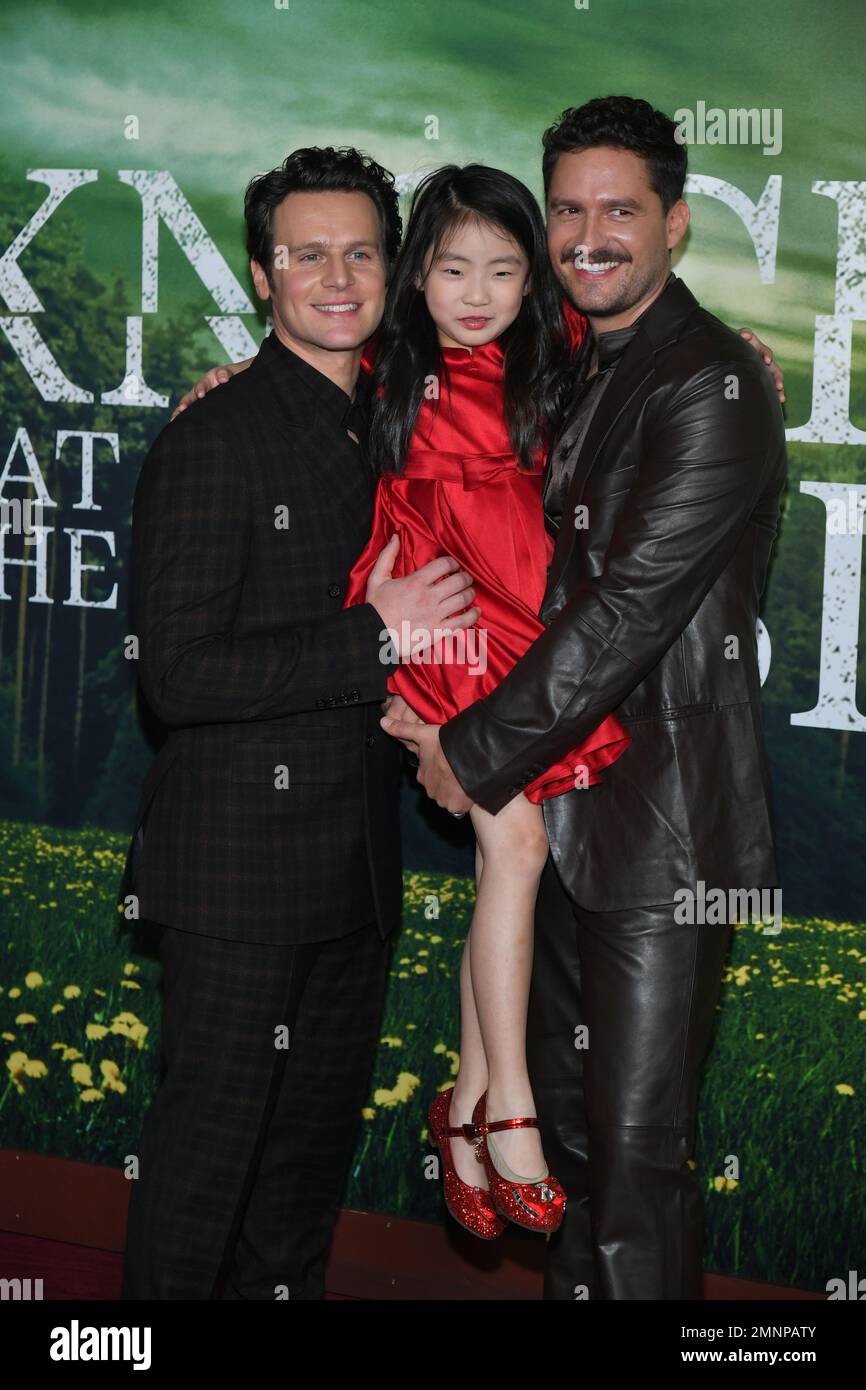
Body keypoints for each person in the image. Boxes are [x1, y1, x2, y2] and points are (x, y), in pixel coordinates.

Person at [383, 97, 788, 1300]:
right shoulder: (560, 359)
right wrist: (234, 380)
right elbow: (407, 362)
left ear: (673, 223)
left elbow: (624, 612)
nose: (588, 232)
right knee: (565, 1153)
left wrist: (473, 748)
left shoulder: (710, 383)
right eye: (567, 208)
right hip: (560, 815)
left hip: (662, 836)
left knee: (630, 1169)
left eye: (620, 209)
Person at [118, 145, 479, 1300]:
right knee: (200, 1181)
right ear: (262, 274)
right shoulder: (211, 437)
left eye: (362, 251)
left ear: (394, 269)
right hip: (233, 884)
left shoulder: (398, 422)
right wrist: (374, 635)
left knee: (297, 1195)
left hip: (352, 880)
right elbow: (178, 675)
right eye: (307, 253)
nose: (338, 276)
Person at [342, 163, 632, 1239]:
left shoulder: (553, 364)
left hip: (519, 633)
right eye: (453, 267)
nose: (475, 291)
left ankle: (463, 1106)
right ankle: (506, 1104)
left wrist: (736, 347)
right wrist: (221, 374)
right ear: (416, 272)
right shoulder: (382, 366)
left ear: (533, 281)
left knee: (506, 856)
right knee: (514, 851)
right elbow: (283, 366)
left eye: (503, 270)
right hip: (439, 622)